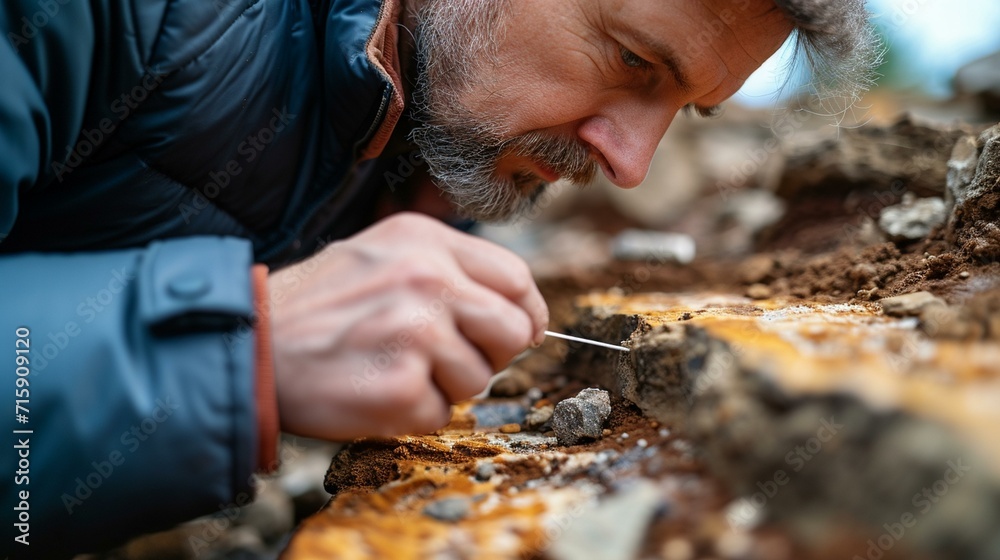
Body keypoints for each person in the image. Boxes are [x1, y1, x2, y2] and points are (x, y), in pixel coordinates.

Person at [0, 0, 878, 555]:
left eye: (683, 109)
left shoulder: (431, 119)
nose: (633, 166)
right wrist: (239, 346)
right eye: (634, 62)